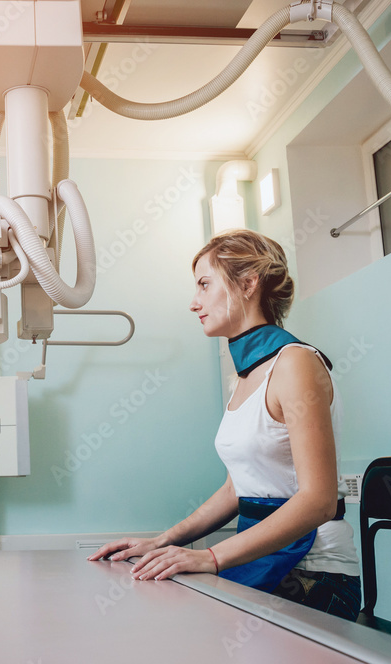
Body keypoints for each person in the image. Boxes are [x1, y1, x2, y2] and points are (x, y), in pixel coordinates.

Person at [89, 229, 360, 620]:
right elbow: (239, 487)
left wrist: (211, 557)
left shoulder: (296, 363)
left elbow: (317, 500)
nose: (193, 302)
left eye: (203, 284)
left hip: (313, 574)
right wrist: (162, 541)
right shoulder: (247, 378)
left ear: (248, 284)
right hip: (263, 561)